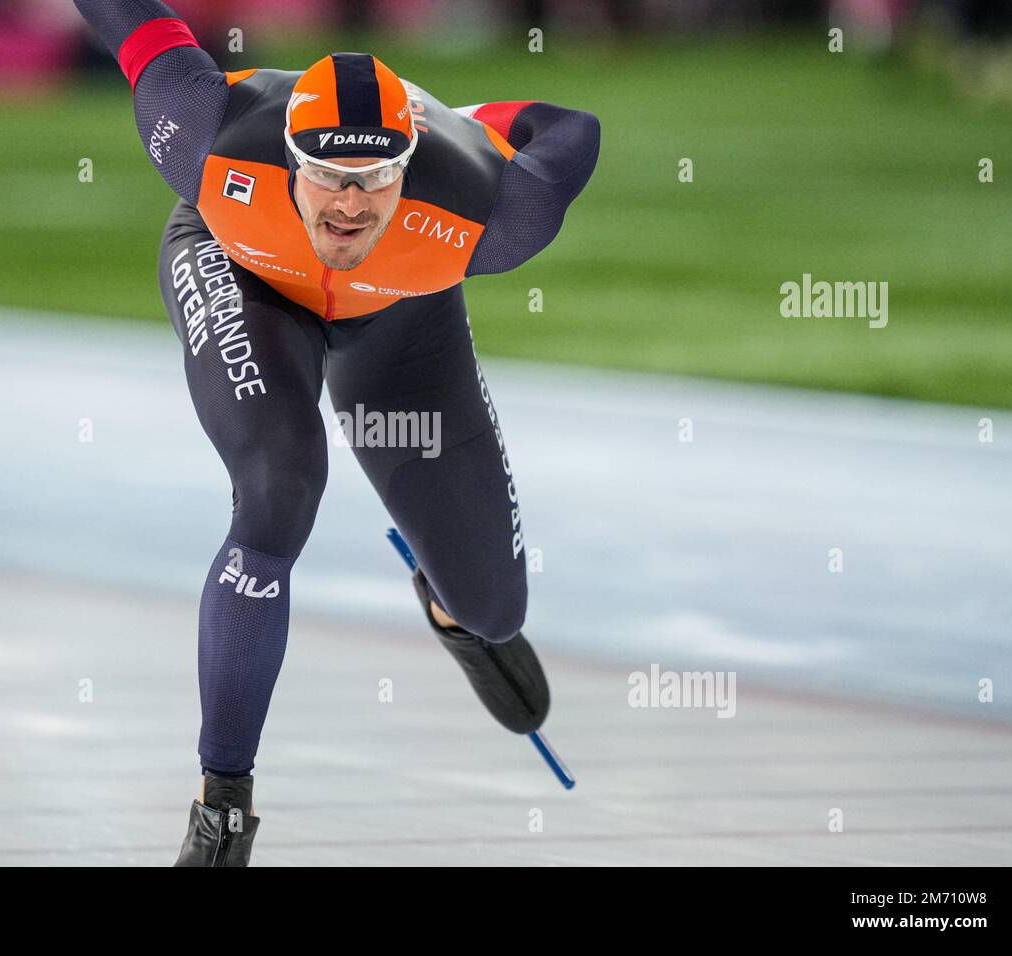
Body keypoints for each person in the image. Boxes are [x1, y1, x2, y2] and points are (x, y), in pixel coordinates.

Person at [72, 0, 601, 867]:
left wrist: (473, 122)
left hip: (400, 312)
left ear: (411, 161)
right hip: (241, 268)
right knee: (280, 486)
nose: (350, 205)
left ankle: (449, 606)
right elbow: (130, 18)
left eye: (377, 175)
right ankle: (224, 806)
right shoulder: (205, 130)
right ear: (286, 154)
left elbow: (571, 130)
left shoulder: (494, 211)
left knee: (496, 609)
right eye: (325, 173)